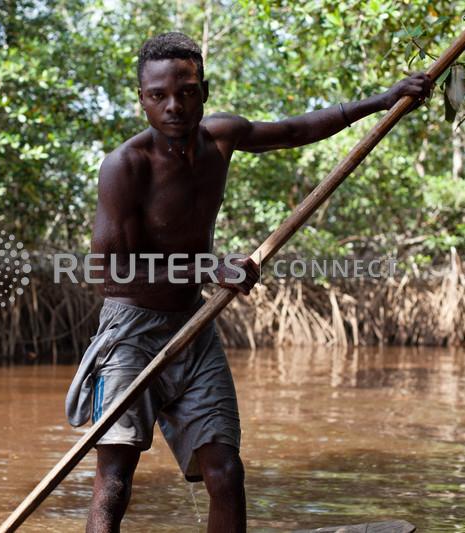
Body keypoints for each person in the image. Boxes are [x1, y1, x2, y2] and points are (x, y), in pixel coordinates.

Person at [65, 32, 432, 533]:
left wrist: (382, 101)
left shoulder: (221, 137)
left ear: (204, 91)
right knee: (115, 478)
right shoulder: (124, 167)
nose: (173, 106)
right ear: (142, 100)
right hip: (130, 333)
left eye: (187, 91)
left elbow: (296, 130)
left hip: (193, 325)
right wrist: (205, 269)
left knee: (226, 471)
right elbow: (107, 271)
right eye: (158, 95)